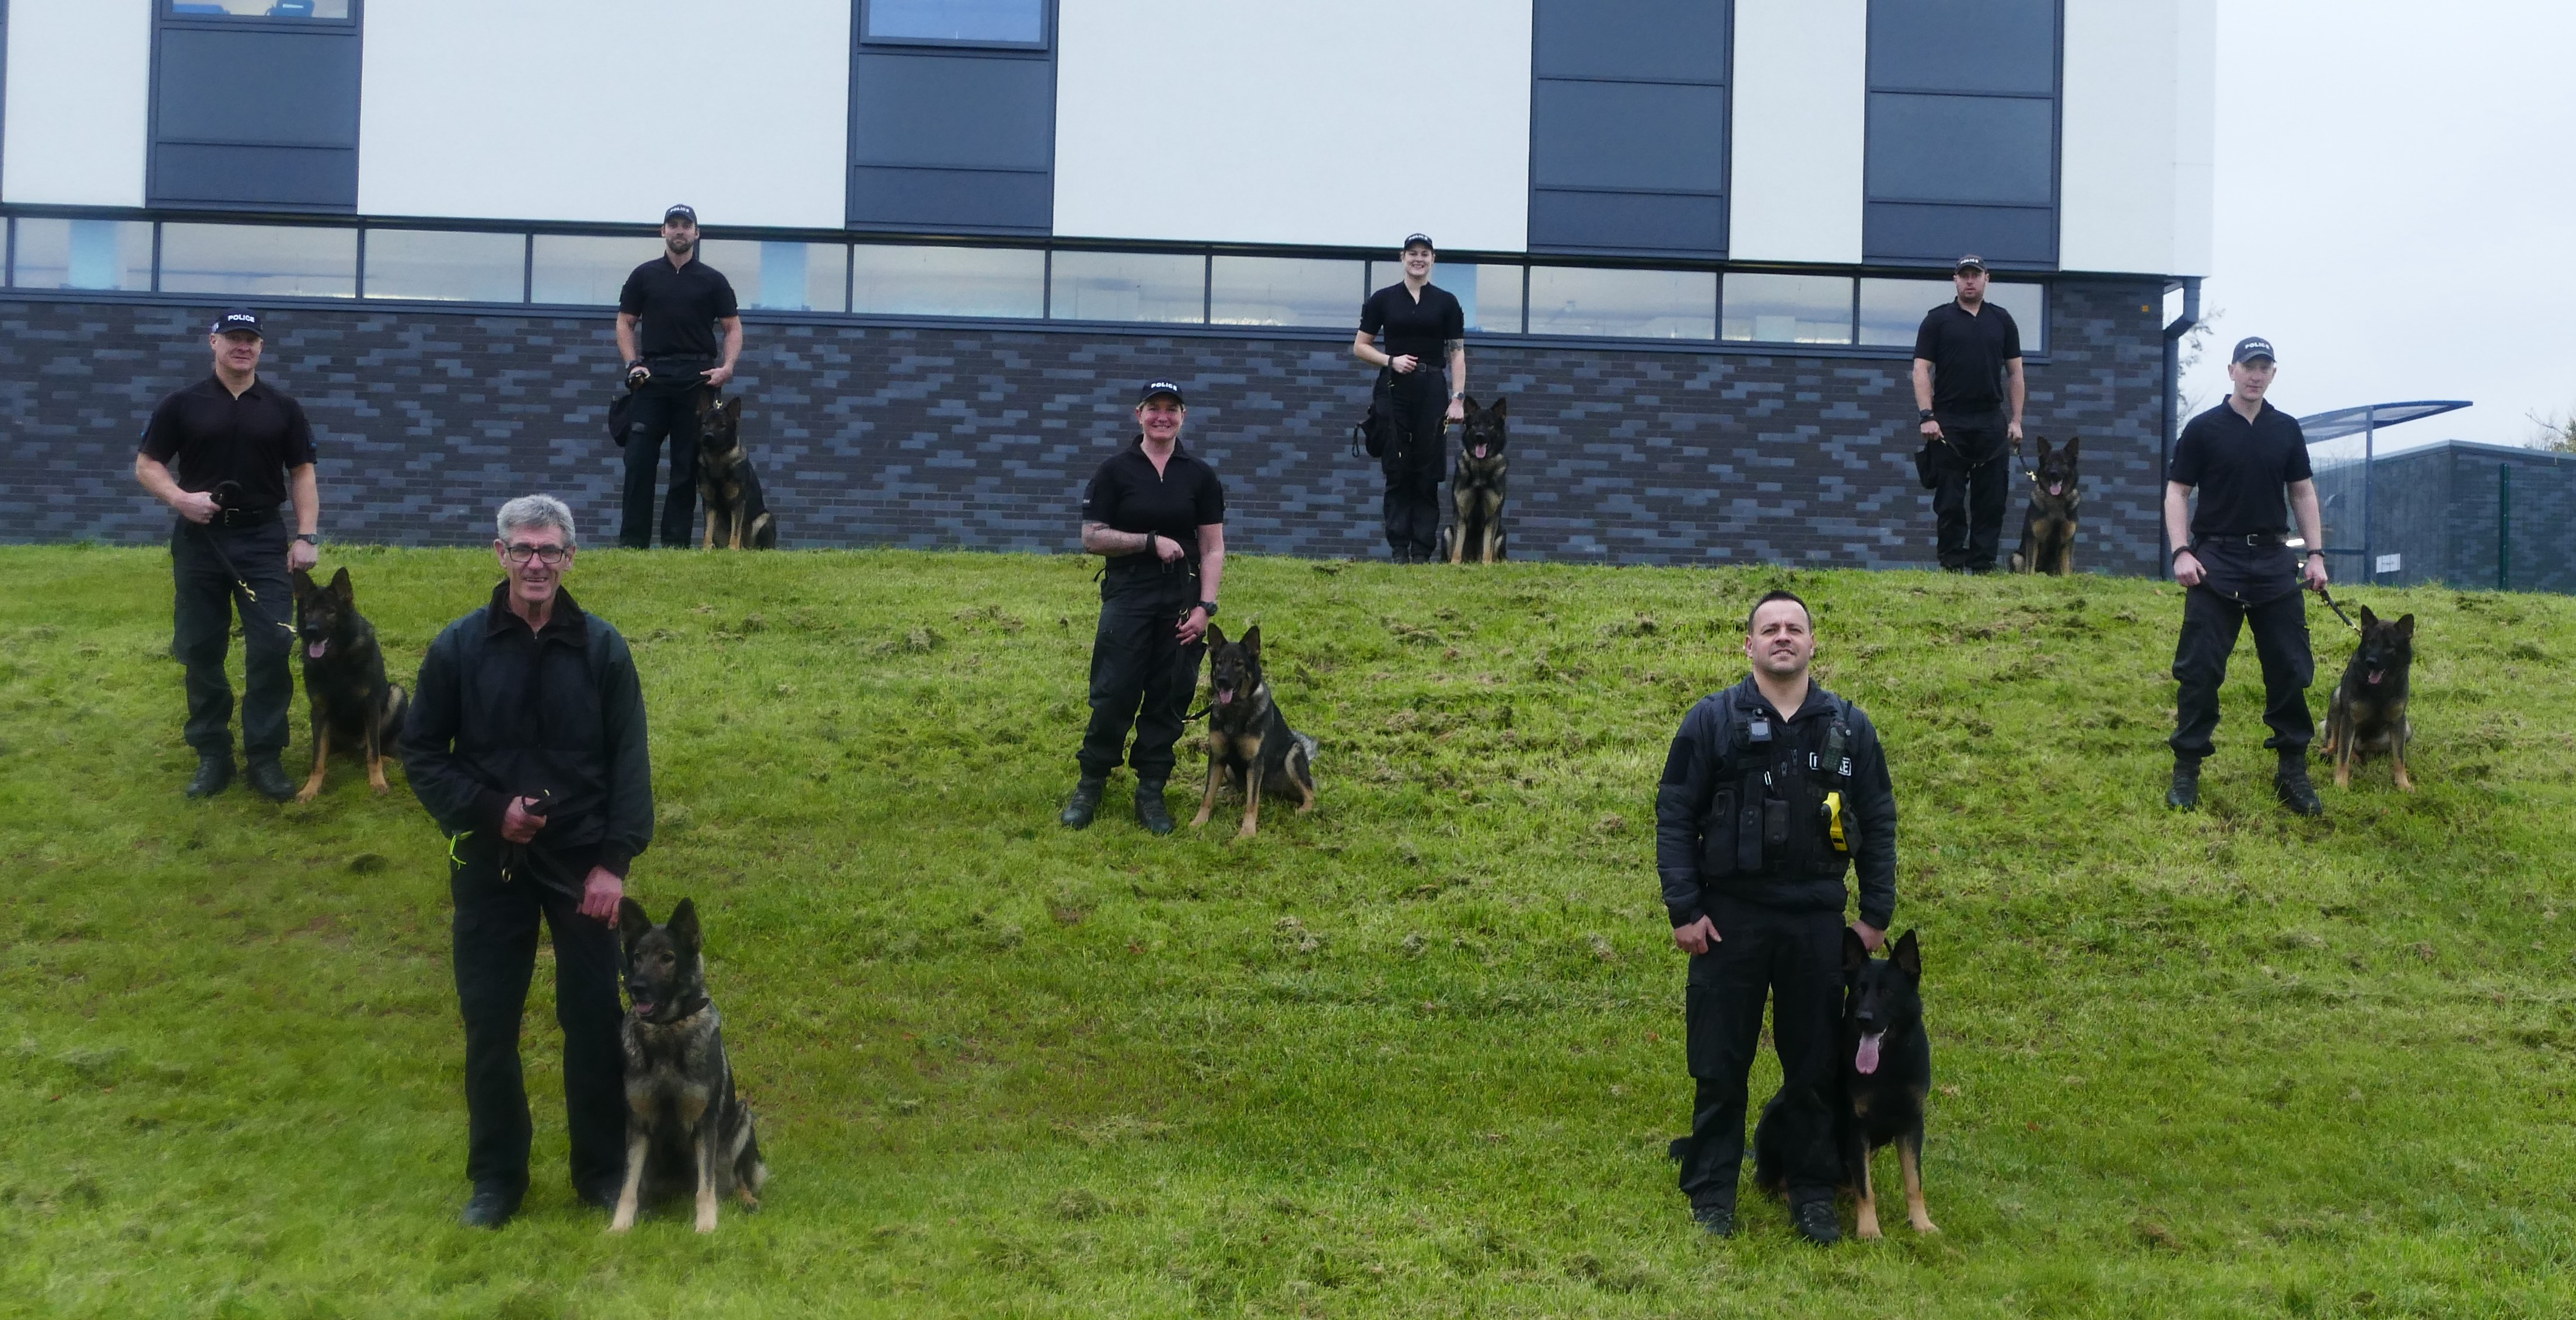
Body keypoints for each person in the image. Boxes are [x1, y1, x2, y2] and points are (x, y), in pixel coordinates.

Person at [400, 495, 653, 1228]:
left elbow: (629, 765)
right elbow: (419, 752)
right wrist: (489, 811)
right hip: (489, 864)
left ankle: (602, 1173)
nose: (536, 563)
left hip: (583, 869)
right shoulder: (458, 647)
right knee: (490, 1025)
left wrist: (614, 864)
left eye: (550, 550)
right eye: (522, 549)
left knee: (593, 1020)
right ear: (499, 554)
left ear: (572, 558)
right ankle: (497, 1181)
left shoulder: (603, 649)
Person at [1654, 590, 1897, 1245]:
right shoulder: (1709, 721)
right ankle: (1712, 1194)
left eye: (1794, 628)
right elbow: (1674, 813)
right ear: (1748, 645)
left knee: (1816, 1067)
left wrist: (1874, 914)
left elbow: (1876, 820)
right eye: (1769, 628)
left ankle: (1813, 1192)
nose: (1782, 637)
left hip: (1817, 922)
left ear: (1813, 643)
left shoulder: (1850, 727)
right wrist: (1684, 908)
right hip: (1728, 920)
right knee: (1719, 1065)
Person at [132, 308, 323, 802]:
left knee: (273, 644)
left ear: (261, 347)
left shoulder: (283, 407)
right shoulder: (182, 404)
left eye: (252, 339)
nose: (243, 345)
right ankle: (213, 754)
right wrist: (180, 499)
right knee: (200, 646)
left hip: (262, 538)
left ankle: (265, 755)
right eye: (234, 337)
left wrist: (306, 536)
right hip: (201, 539)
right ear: (212, 342)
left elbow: (302, 473)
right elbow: (147, 464)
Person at [2163, 337, 2327, 815]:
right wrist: (2180, 552)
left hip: (2275, 563)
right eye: (2247, 367)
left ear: (2272, 374)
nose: (2255, 375)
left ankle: (2292, 773)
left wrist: (2315, 555)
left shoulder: (2286, 430)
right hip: (2215, 563)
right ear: (2230, 370)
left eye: (2264, 367)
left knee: (2290, 668)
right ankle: (2186, 772)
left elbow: (2301, 493)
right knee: (2198, 670)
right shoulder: (2203, 429)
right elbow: (2177, 493)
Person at [1059, 381, 1227, 835]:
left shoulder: (1200, 475)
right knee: (1113, 692)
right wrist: (1148, 542)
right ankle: (1090, 783)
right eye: (1154, 408)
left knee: (1169, 696)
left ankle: (1150, 790)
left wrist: (1206, 607)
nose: (1162, 416)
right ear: (1139, 415)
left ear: (1182, 418)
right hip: (1129, 593)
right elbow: (1092, 537)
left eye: (1171, 409)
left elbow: (1212, 548)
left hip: (1181, 597)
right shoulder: (1114, 471)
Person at [615, 204, 741, 549]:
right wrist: (632, 364)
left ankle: (675, 545)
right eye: (674, 225)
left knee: (686, 466)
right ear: (663, 232)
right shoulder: (644, 275)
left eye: (687, 225)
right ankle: (632, 545)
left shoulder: (713, 280)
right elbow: (625, 322)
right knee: (639, 461)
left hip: (698, 380)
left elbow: (732, 328)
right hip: (652, 378)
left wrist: (727, 368)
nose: (680, 230)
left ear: (697, 233)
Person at [1352, 233, 1466, 562]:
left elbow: (1457, 353)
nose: (1419, 259)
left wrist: (1457, 398)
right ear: (1402, 258)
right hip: (1393, 388)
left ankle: (1422, 552)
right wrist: (1391, 360)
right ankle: (1399, 550)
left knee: (1428, 470)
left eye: (1425, 254)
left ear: (1433, 259)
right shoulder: (1383, 300)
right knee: (1398, 468)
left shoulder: (1447, 302)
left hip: (1432, 387)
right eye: (1413, 253)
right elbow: (1361, 346)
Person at [1911, 255, 2026, 572]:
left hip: (1991, 420)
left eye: (1976, 275)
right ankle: (1951, 561)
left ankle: (1983, 563)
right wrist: (1927, 415)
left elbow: (2016, 374)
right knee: (1949, 500)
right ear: (1955, 280)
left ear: (1987, 278)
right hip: (1948, 421)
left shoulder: (2002, 320)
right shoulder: (1937, 320)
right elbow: (1921, 370)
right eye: (1964, 276)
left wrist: (2016, 421)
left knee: (1991, 500)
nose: (1970, 281)